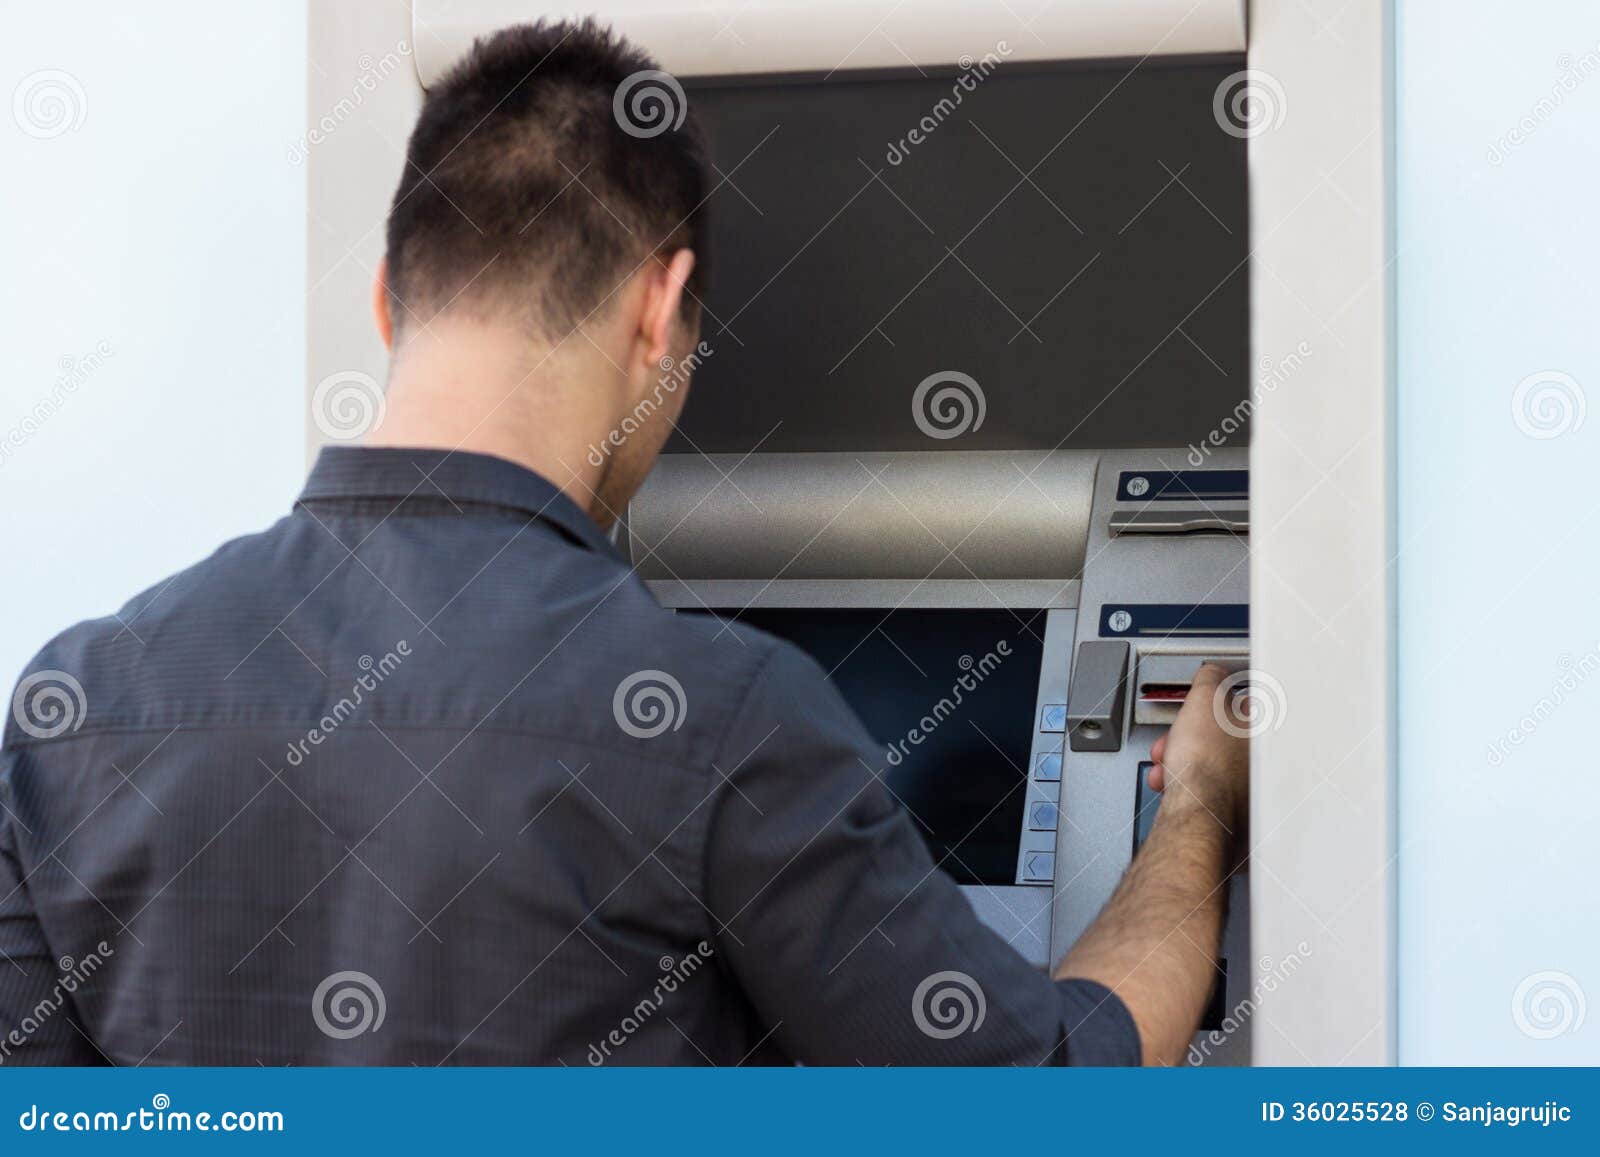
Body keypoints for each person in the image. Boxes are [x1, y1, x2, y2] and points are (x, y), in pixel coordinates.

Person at [0, 19, 1248, 1066]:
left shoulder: (77, 701)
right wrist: (1197, 802)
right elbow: (1045, 1097)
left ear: (388, 298)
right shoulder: (723, 716)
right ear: (658, 310)